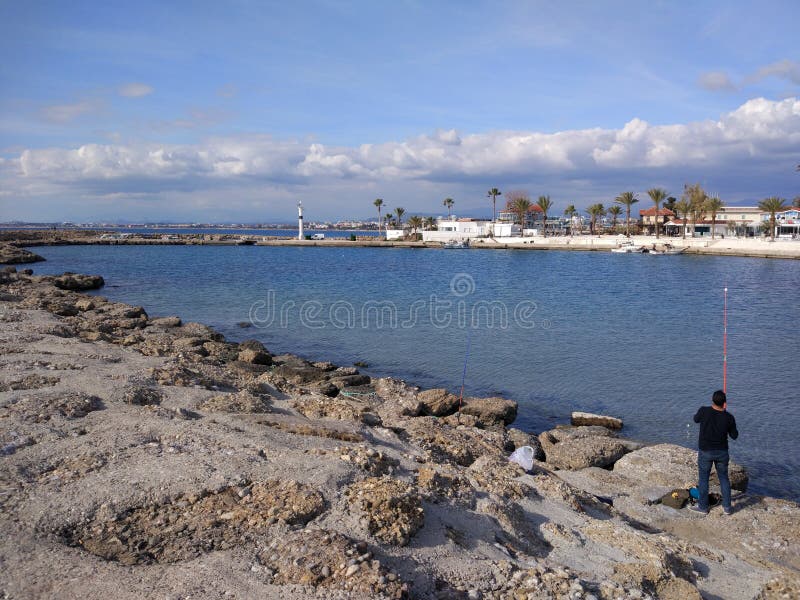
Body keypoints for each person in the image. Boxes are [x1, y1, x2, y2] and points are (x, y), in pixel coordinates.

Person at [691, 390, 738, 515]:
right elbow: (734, 435)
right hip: (722, 453)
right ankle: (727, 508)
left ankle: (703, 507)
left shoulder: (703, 411)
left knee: (703, 479)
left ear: (712, 400)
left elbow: (695, 419)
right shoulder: (729, 417)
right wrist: (726, 418)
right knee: (724, 478)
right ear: (724, 403)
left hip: (705, 451)